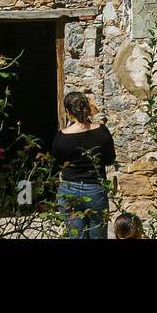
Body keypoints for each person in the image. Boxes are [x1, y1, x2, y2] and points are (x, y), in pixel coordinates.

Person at [51, 91, 115, 239]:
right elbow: (110, 159)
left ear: (68, 111)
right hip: (94, 188)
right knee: (98, 234)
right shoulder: (101, 131)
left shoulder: (62, 136)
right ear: (86, 107)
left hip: (69, 188)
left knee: (74, 235)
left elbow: (56, 163)